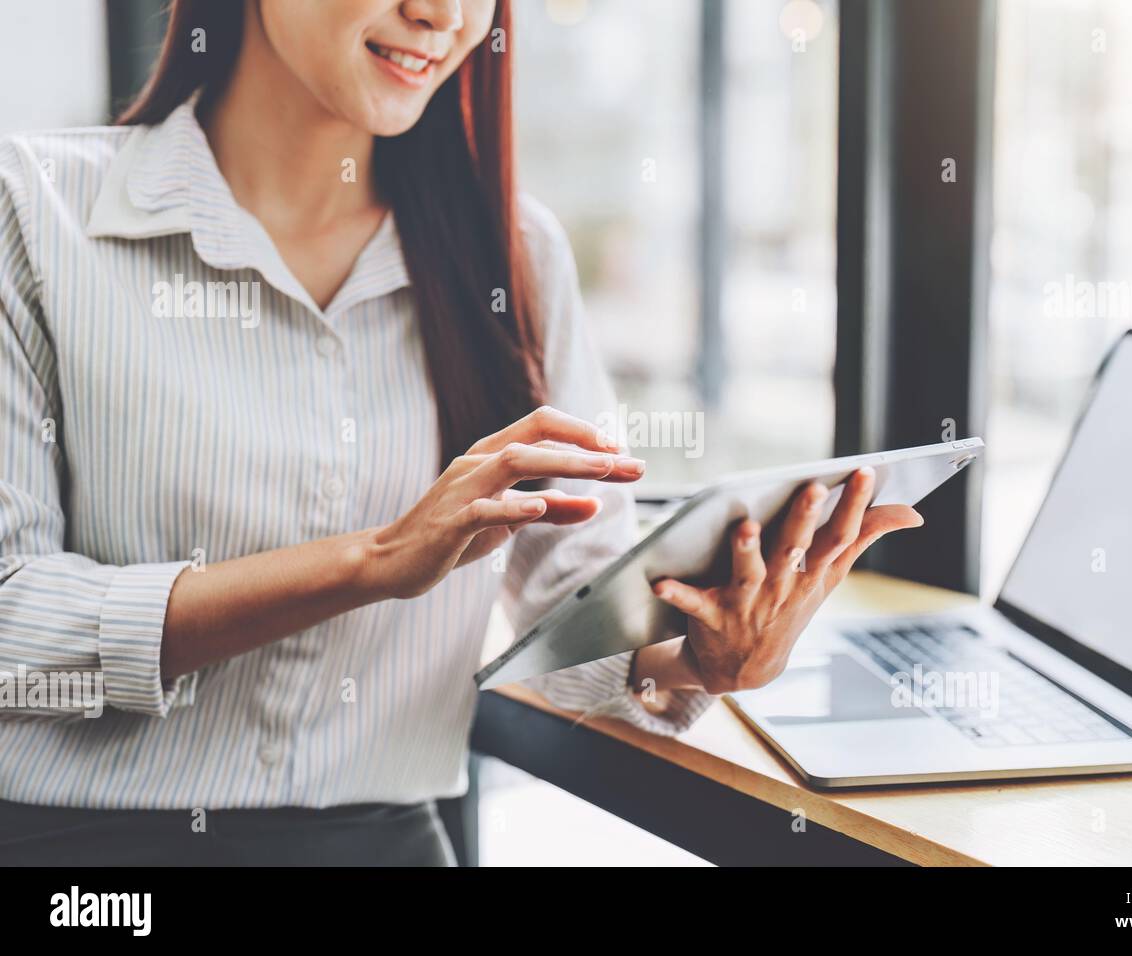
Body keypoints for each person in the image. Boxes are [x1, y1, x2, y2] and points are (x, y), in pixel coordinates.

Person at [0, 0, 922, 865]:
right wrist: (375, 560)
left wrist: (701, 654)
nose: (441, 13)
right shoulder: (35, 212)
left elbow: (577, 592)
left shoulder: (512, 256)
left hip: (385, 841)